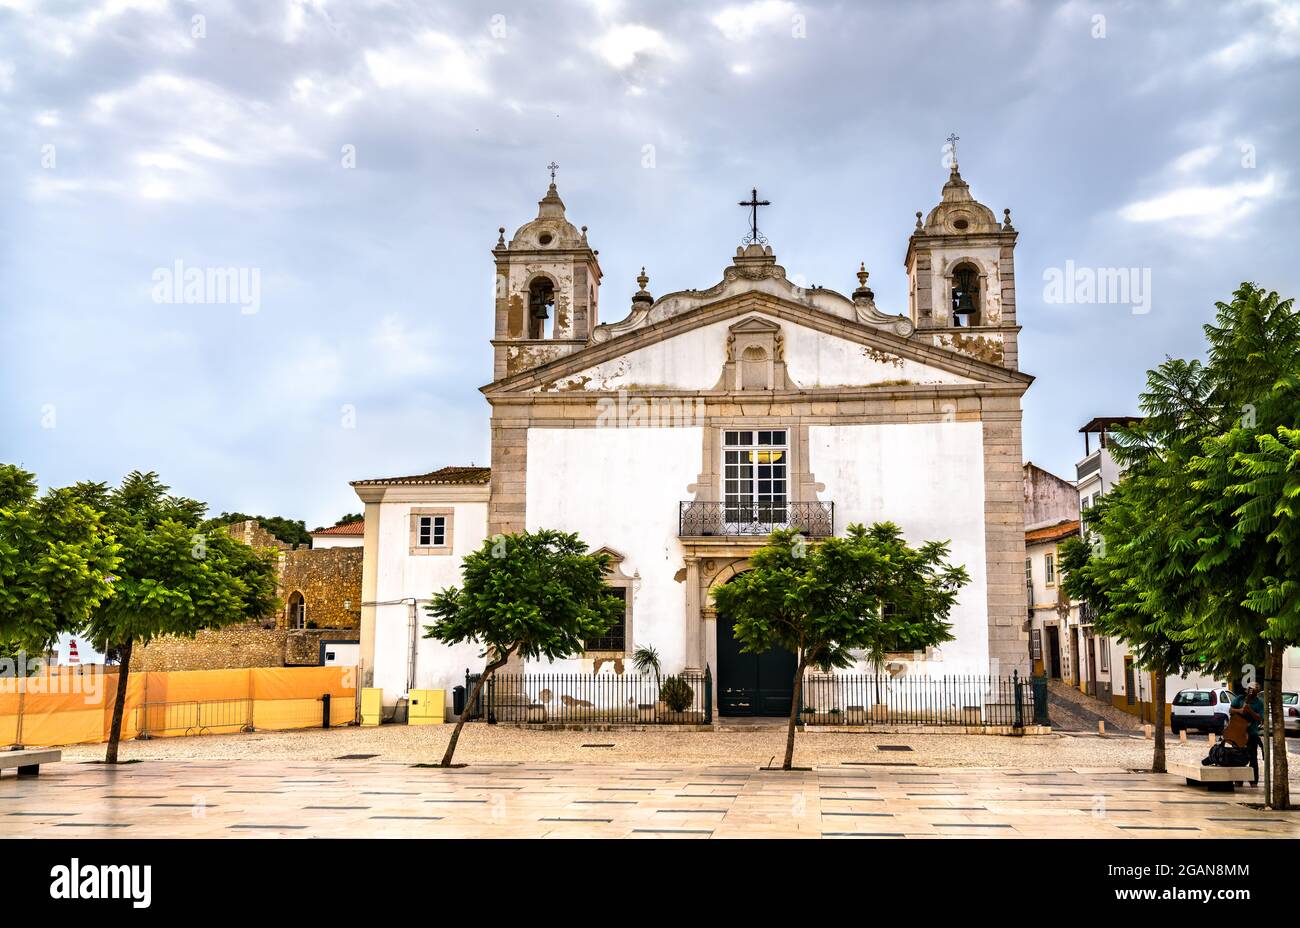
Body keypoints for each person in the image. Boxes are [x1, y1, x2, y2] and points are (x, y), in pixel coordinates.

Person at [1229, 683, 1265, 786]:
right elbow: (1231, 710)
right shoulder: (1240, 698)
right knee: (1237, 756)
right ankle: (1238, 780)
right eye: (1249, 689)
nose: (1250, 691)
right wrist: (1240, 710)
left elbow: (1260, 718)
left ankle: (1253, 781)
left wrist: (1250, 711)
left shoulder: (1259, 703)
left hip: (1252, 733)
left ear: (1256, 692)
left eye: (1253, 690)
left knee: (1253, 758)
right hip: (1238, 732)